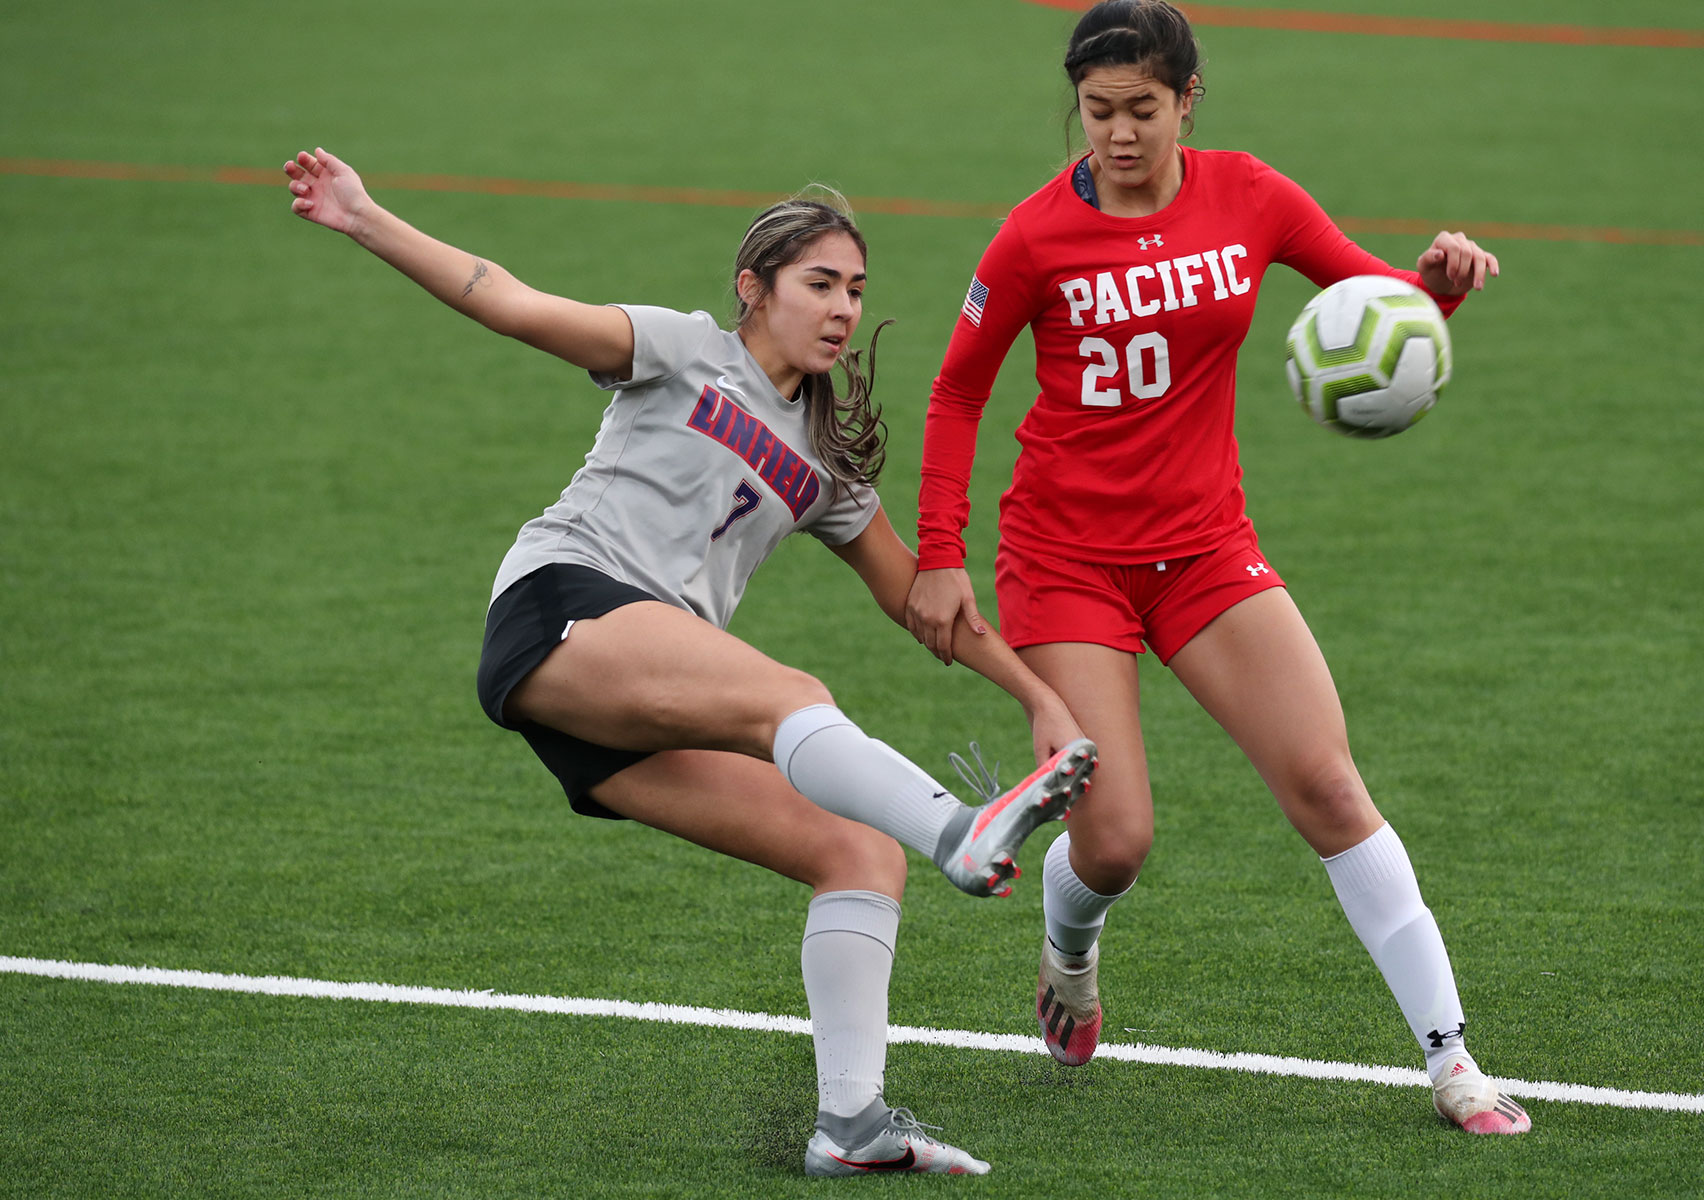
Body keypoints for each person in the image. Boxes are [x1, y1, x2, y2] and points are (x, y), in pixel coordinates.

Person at [283, 147, 1100, 1175]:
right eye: (819, 284)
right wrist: (365, 216)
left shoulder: (827, 460)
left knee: (855, 854)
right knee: (792, 697)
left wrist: (1036, 696)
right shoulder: (681, 350)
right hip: (561, 609)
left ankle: (850, 1126)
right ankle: (959, 831)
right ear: (753, 290)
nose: (844, 308)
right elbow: (511, 302)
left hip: (622, 704)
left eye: (856, 289)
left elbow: (917, 600)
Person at [903, 0, 1530, 1135]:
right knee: (1119, 841)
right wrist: (939, 554)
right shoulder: (1034, 236)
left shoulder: (1252, 195)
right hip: (1064, 566)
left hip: (1204, 551)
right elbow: (956, 391)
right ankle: (1071, 951)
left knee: (1330, 786)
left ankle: (1452, 1061)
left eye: (1142, 110)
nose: (1118, 134)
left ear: (1189, 100)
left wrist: (1433, 285)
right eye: (1097, 113)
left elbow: (1367, 308)